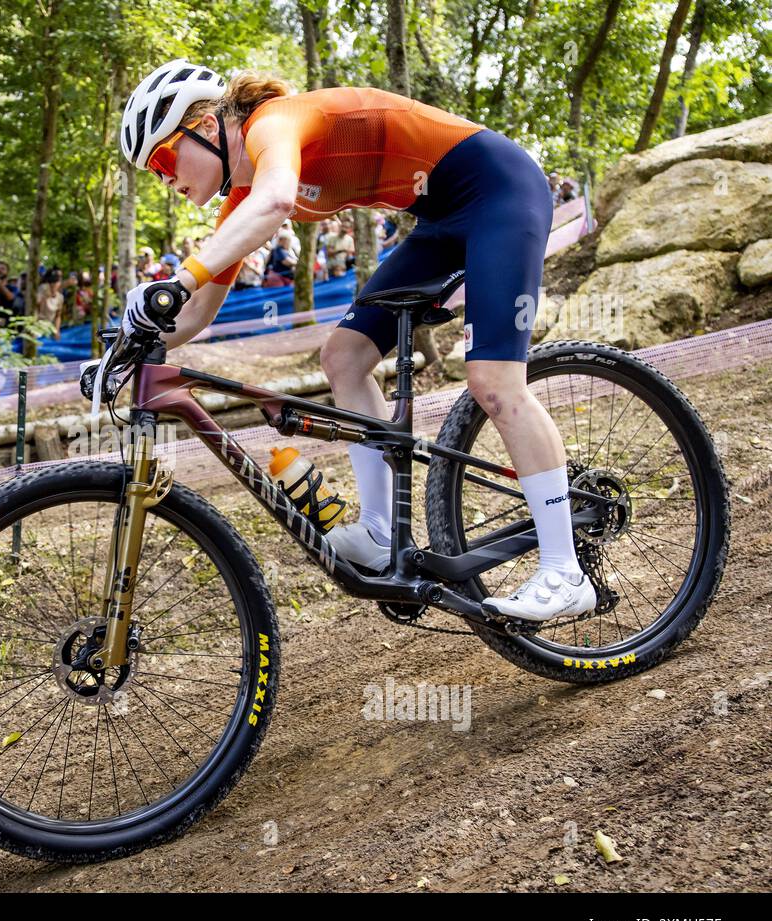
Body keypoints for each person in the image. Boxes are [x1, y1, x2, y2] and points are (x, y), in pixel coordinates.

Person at [117, 59, 591, 621]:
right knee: (343, 356)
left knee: (493, 382)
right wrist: (128, 346)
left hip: (499, 190)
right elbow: (193, 316)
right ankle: (381, 528)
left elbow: (274, 205)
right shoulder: (239, 194)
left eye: (166, 158)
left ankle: (565, 570)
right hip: (440, 218)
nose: (167, 179)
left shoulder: (273, 124)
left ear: (208, 125)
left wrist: (180, 276)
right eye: (154, 172)